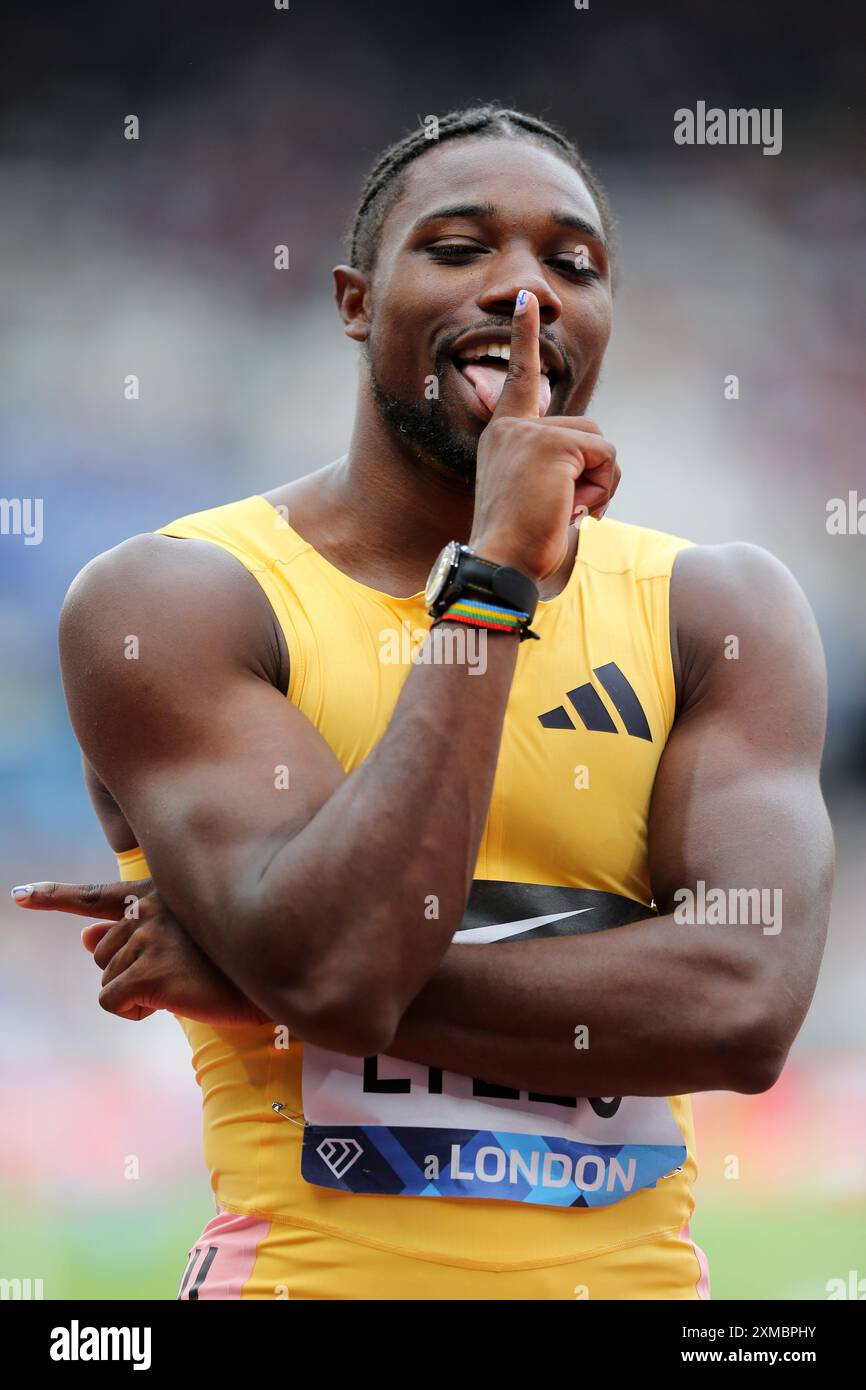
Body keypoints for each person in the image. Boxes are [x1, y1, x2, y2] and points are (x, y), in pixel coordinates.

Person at [13, 105, 833, 1300]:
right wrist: (492, 582)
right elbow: (342, 968)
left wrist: (265, 973)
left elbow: (740, 1010)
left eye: (571, 264)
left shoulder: (715, 609)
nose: (523, 295)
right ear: (353, 300)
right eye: (458, 247)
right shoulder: (186, 599)